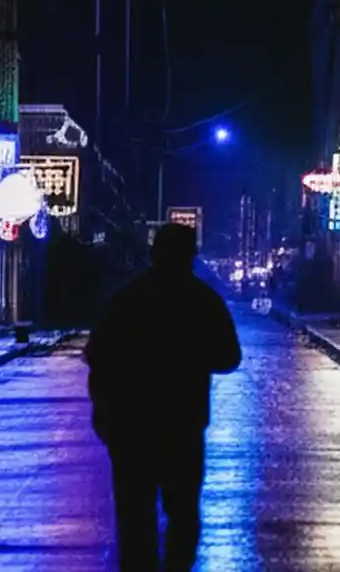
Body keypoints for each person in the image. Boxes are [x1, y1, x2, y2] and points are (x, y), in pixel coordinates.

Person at [86, 223, 242, 571]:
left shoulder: (126, 299)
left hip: (130, 425)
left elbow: (98, 355)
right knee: (183, 515)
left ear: (153, 253)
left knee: (134, 516)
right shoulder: (204, 301)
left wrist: (103, 408)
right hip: (182, 425)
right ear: (191, 257)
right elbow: (230, 357)